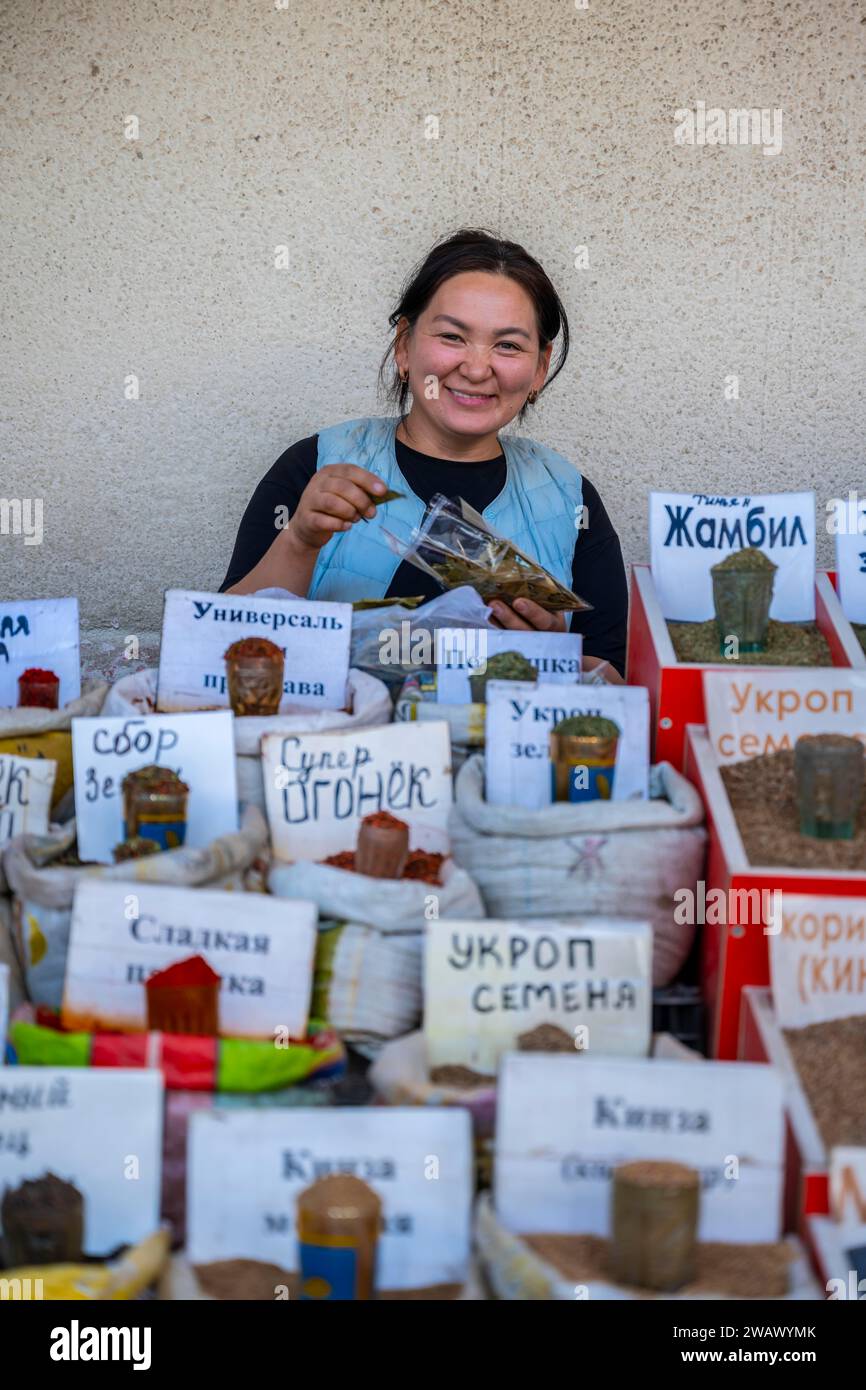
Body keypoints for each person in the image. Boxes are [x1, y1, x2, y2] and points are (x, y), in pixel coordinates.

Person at [221, 228, 628, 676]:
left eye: (508, 345)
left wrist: (552, 663)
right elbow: (217, 650)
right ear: (404, 346)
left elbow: (612, 683)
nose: (476, 368)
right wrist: (299, 540)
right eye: (452, 336)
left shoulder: (570, 498)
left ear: (539, 368)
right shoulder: (316, 465)